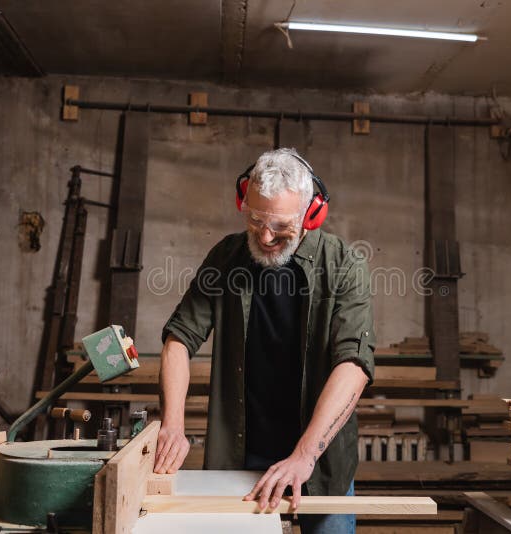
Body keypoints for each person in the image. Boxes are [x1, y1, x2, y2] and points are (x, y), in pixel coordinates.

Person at [154, 148, 375, 534]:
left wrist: (304, 455)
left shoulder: (344, 265)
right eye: (255, 220)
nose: (266, 236)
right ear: (244, 201)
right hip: (240, 453)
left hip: (318, 460)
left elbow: (353, 366)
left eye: (281, 226)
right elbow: (179, 338)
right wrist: (172, 424)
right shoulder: (226, 257)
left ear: (311, 215)